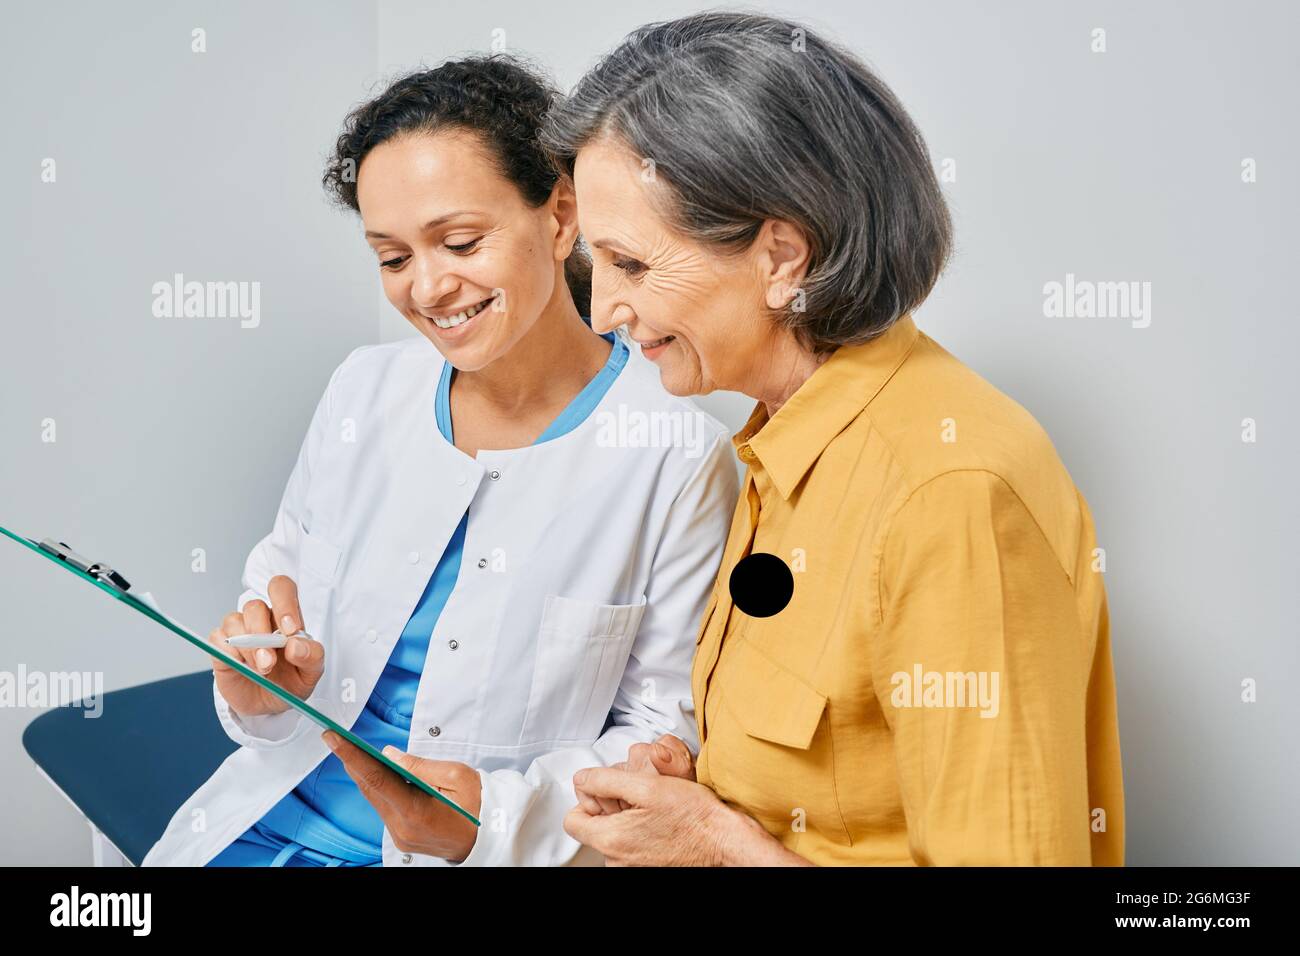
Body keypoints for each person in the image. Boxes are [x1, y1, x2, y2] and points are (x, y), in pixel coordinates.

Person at [546, 12, 1126, 865]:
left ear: (782, 258)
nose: (604, 313)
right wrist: (702, 791)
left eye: (631, 265)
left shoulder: (950, 492)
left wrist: (715, 846)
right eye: (596, 270)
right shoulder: (782, 443)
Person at [142, 55, 737, 867]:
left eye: (460, 242)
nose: (427, 287)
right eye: (391, 258)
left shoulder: (675, 453)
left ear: (561, 216)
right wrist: (258, 691)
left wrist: (493, 817)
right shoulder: (363, 390)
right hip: (266, 820)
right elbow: (275, 595)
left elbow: (660, 737)